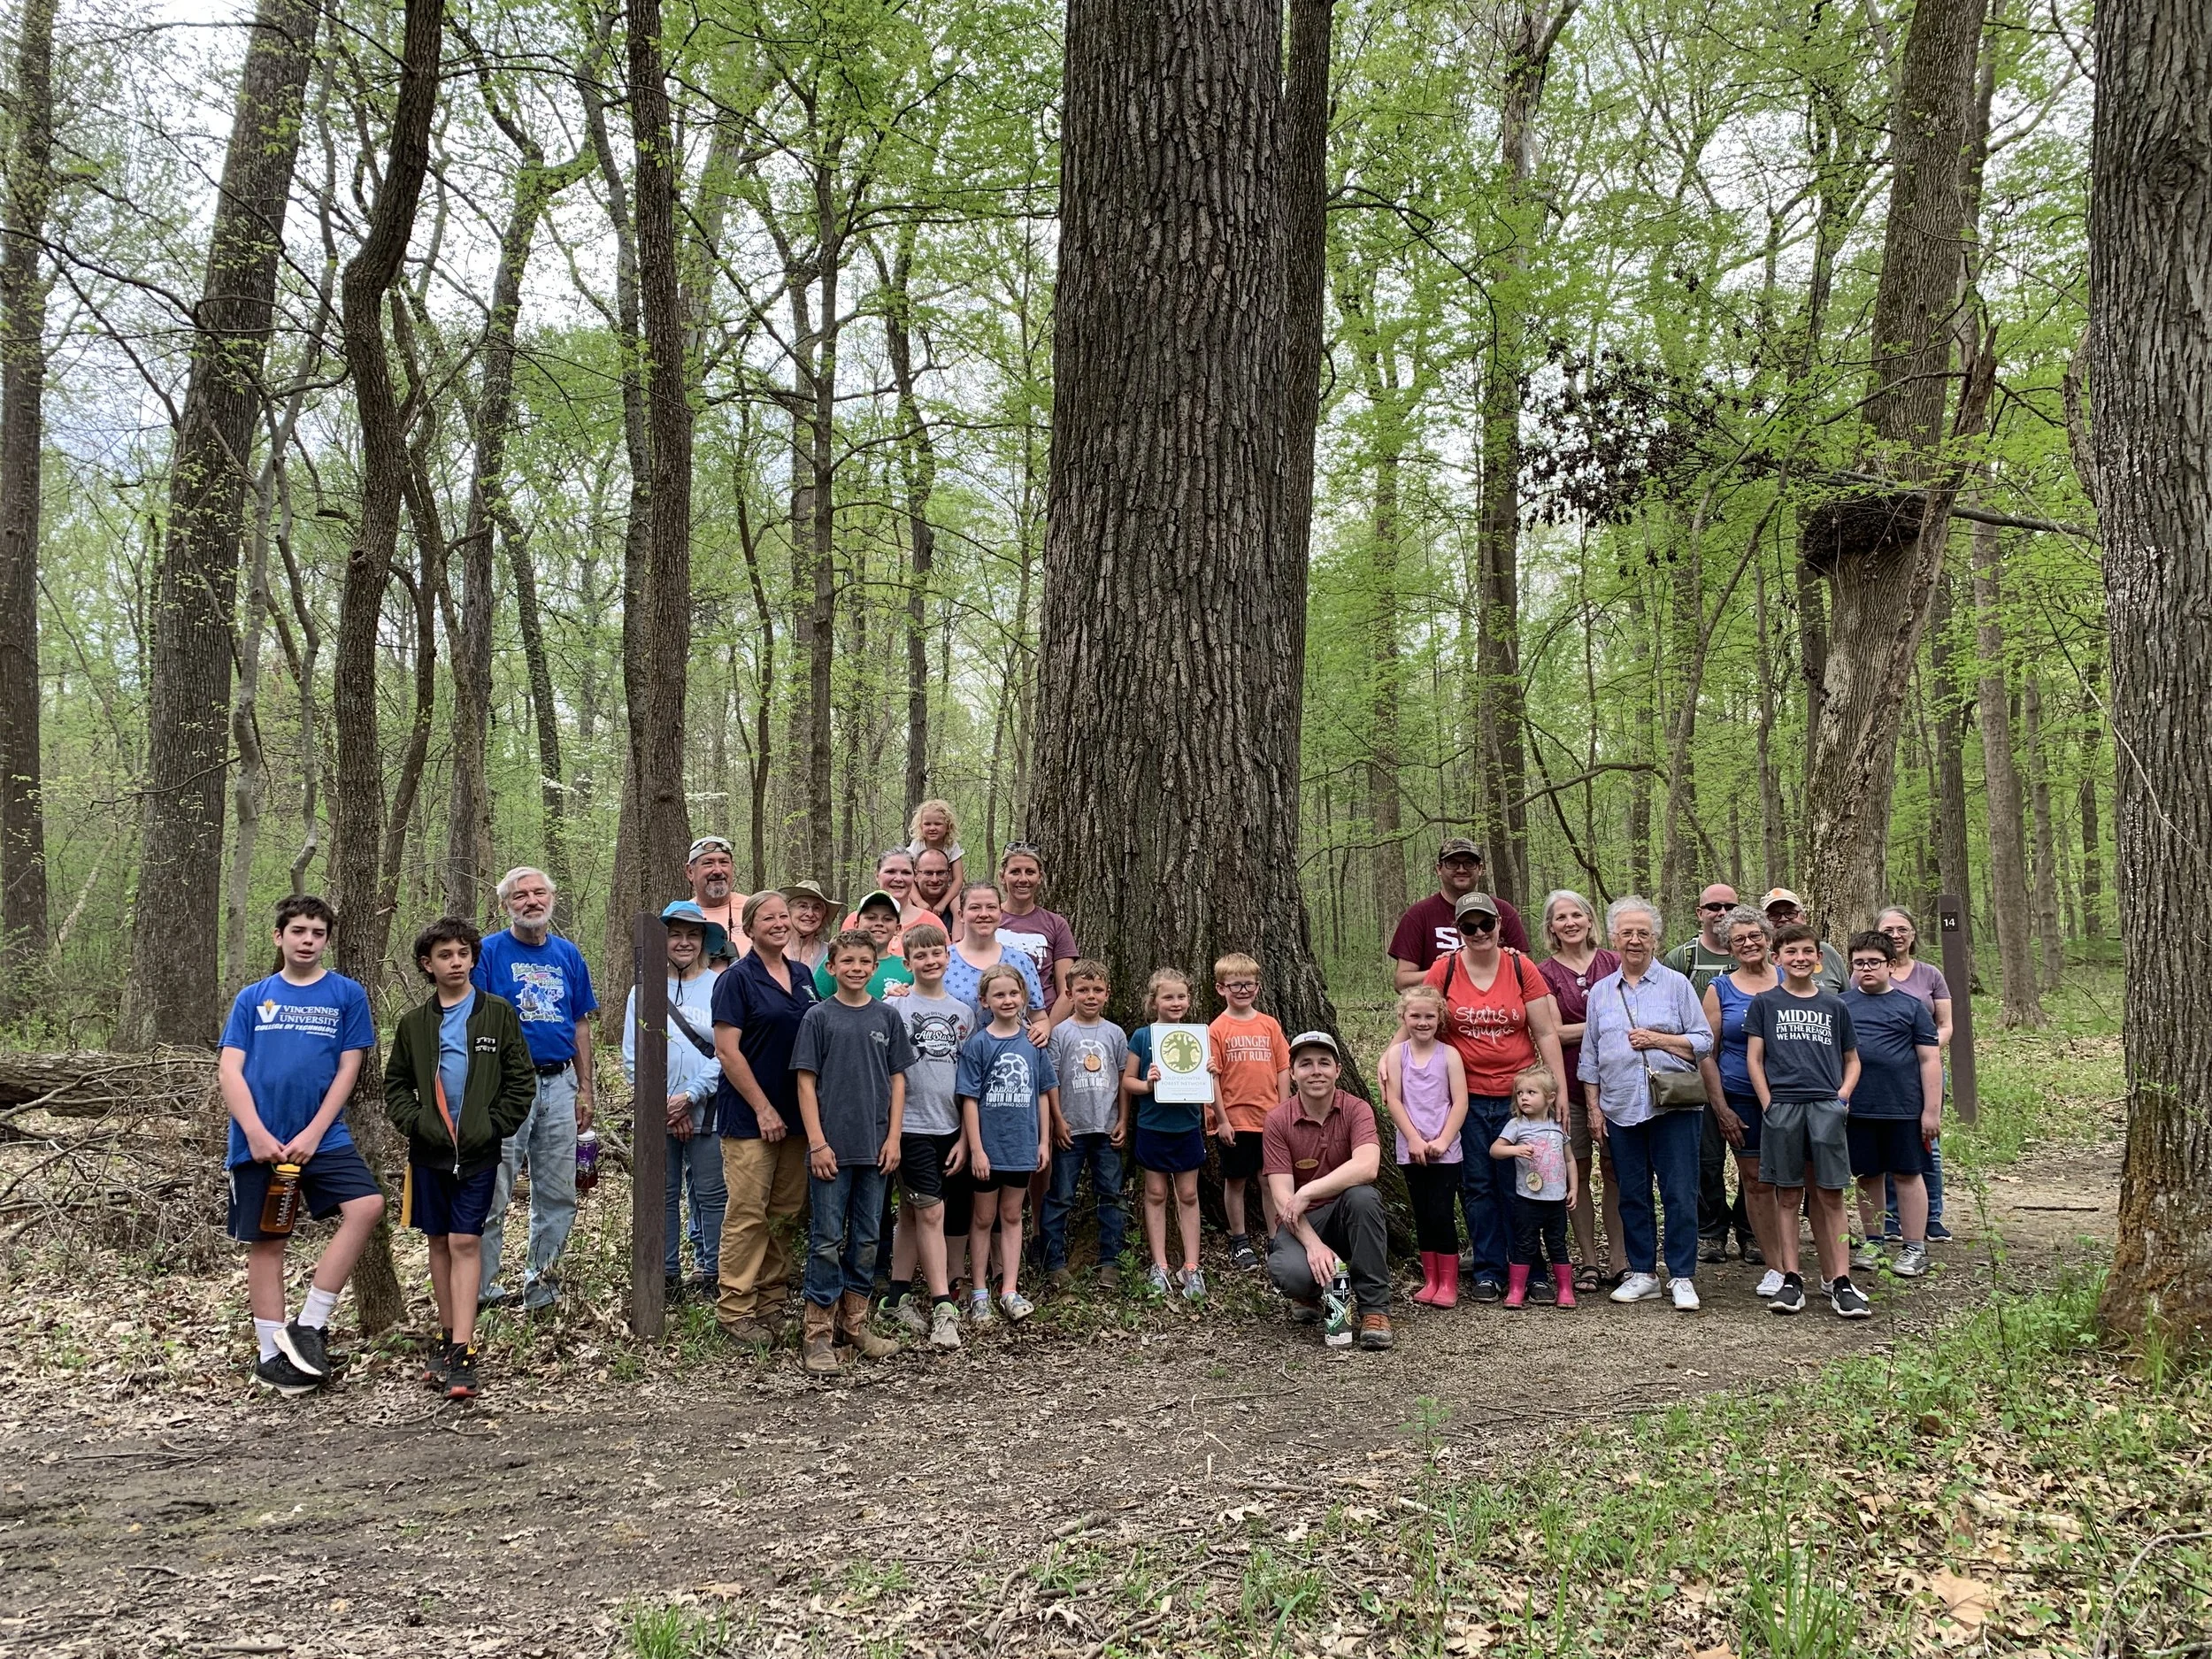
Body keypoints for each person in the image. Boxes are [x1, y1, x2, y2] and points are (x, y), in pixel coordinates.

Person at [218, 895, 383, 1397]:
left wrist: (313, 1132)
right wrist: (256, 1133)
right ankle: (272, 1358)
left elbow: (348, 1068)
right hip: (258, 1141)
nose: (307, 940)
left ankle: (309, 1324)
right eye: (298, 931)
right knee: (268, 1243)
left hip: (323, 1137)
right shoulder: (253, 998)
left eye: (317, 933)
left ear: (327, 940)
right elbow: (229, 1068)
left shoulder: (346, 995)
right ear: (279, 937)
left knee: (367, 1205)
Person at [385, 917, 534, 1401]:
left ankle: (465, 1350)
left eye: (463, 953)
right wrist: (419, 1123)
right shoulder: (413, 1024)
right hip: (429, 1154)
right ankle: (447, 1339)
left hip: (479, 1153)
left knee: (466, 1240)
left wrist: (493, 1127)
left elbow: (520, 1080)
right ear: (428, 965)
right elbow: (396, 1086)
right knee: (439, 1242)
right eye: (445, 955)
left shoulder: (497, 1013)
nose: (456, 962)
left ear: (474, 958)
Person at [1424, 890, 1568, 1302]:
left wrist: (1553, 1091)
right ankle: (1488, 1269)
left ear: (1499, 925)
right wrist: (1391, 1059)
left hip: (1519, 1099)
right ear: (1459, 931)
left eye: (1486, 923)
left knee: (1525, 1185)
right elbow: (1420, 1016)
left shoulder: (1521, 967)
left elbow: (1544, 1033)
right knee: (1479, 1186)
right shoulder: (1444, 969)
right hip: (1466, 1098)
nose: (1479, 932)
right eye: (1469, 926)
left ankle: (1533, 1269)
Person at [472, 866, 598, 1314]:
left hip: (561, 1081)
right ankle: (481, 1290)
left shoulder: (567, 954)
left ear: (552, 899)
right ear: (506, 904)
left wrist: (586, 1088)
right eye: (520, 895)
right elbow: (473, 1021)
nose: (531, 901)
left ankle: (542, 1287)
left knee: (558, 1191)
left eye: (538, 893)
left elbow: (580, 1022)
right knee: (492, 1190)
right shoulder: (487, 952)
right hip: (506, 1086)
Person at [792, 928, 917, 1373]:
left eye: (866, 962)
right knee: (826, 1239)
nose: (857, 969)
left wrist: (894, 1138)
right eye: (848, 962)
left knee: (866, 1238)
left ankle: (855, 1324)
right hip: (831, 1149)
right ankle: (818, 1334)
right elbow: (805, 1082)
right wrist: (818, 1142)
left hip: (876, 1146)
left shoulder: (887, 1018)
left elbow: (899, 1080)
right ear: (831, 968)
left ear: (876, 965)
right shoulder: (818, 1018)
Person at [1580, 896, 1712, 1312]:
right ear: (1614, 939)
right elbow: (1590, 1056)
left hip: (1674, 1107)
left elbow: (1704, 1042)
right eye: (1626, 933)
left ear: (1656, 939)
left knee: (1678, 1191)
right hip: (1620, 1106)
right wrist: (1595, 1109)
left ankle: (1682, 1275)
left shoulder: (1677, 985)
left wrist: (1659, 1040)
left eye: (1643, 933)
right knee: (1632, 1192)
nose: (1635, 940)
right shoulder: (1601, 992)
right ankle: (1642, 1272)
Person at [709, 888, 821, 1343]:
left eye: (784, 916)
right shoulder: (736, 979)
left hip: (798, 1114)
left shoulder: (803, 975)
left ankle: (771, 1298)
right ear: (749, 928)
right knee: (748, 1212)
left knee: (786, 1211)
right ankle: (736, 1307)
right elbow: (726, 1050)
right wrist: (763, 1108)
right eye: (768, 917)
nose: (779, 923)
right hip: (751, 1116)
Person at [1747, 922, 1867, 1317]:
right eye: (1791, 952)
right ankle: (1791, 1278)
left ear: (1818, 958)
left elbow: (1852, 1059)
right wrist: (1769, 1103)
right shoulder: (1766, 1002)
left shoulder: (1835, 1005)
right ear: (1777, 958)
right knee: (1787, 1194)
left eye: (1807, 952)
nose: (1799, 958)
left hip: (1825, 1107)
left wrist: (1842, 1097)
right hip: (1784, 1109)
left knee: (1830, 1193)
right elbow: (1755, 1059)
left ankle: (1840, 1281)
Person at [622, 901, 729, 1299]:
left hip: (710, 1107)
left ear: (704, 940)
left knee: (712, 1193)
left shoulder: (720, 985)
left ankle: (711, 1271)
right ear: (662, 938)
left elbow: (727, 1051)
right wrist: (665, 1103)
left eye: (693, 934)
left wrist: (691, 1096)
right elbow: (633, 1056)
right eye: (676, 933)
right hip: (658, 1112)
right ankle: (664, 1273)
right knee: (662, 1193)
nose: (684, 942)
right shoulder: (643, 990)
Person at [1263, 1031, 1393, 1351]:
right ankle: (1307, 1292)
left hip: (1348, 1215)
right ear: (1292, 1073)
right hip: (1302, 1222)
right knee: (1291, 1272)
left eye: (1324, 1062)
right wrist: (1313, 1244)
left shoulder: (1357, 1109)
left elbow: (1368, 1167)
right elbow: (1282, 1198)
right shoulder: (1278, 1120)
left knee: (1364, 1197)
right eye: (1305, 1064)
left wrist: (1309, 1190)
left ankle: (1374, 1310)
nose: (1316, 1071)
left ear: (1338, 1069)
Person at [879, 923, 974, 1348]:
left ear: (948, 957)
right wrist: (892, 1132)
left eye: (937, 953)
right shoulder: (895, 1009)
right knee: (930, 1213)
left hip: (949, 1126)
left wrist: (966, 1138)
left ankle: (897, 1296)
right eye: (920, 956)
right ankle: (943, 1308)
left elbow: (969, 1078)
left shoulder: (964, 1012)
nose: (930, 961)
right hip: (910, 1125)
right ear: (907, 962)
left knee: (916, 1216)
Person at [1532, 890, 1623, 1294]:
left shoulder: (1615, 962)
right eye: (1560, 918)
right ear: (1551, 928)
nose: (1569, 923)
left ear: (1590, 920)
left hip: (1621, 1084)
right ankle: (1588, 1260)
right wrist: (1608, 1022)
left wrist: (1584, 1027)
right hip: (1568, 1085)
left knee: (1617, 1171)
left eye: (1576, 915)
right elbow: (1551, 1031)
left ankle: (1621, 1260)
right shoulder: (1544, 972)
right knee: (1578, 1171)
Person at [958, 964, 1058, 1324]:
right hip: (989, 1148)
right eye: (999, 994)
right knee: (984, 1217)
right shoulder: (978, 1044)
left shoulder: (1033, 1044)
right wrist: (977, 1148)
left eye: (1013, 993)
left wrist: (1043, 1141)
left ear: (1024, 997)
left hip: (1022, 1146)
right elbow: (969, 1098)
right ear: (984, 1001)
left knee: (1013, 1215)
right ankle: (980, 1290)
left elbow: (1043, 1094)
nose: (1007, 1000)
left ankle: (1010, 1289)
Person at [1696, 908, 1787, 1300]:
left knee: (1791, 1179)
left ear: (1768, 938)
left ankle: (1792, 1259)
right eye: (1739, 940)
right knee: (1755, 1179)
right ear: (1729, 949)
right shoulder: (1720, 988)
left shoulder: (1791, 978)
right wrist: (1720, 1106)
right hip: (1738, 1097)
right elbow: (1706, 1052)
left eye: (1755, 936)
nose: (1749, 944)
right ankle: (1772, 1263)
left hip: (1791, 1098)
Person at [1841, 930, 1941, 1281]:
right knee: (1868, 1175)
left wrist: (1931, 1110)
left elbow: (1930, 1060)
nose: (1867, 969)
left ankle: (1914, 1246)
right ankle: (1874, 1241)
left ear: (1891, 964)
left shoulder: (1911, 1007)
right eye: (1859, 963)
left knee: (1908, 1174)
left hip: (1903, 1107)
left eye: (1874, 962)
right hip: (1858, 1108)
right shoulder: (1842, 1005)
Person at [1667, 882, 1754, 1264]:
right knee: (1705, 1160)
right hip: (1693, 1075)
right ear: (1699, 912)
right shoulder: (1682, 958)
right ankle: (1711, 1232)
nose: (1721, 912)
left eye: (1729, 906)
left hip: (1751, 1078)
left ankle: (1752, 1231)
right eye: (1713, 906)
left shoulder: (1752, 955)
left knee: (1754, 1159)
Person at [1120, 967, 1213, 1301]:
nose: (1175, 1003)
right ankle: (1159, 1265)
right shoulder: (1143, 1037)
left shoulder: (1197, 1036)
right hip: (1152, 1127)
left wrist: (1210, 1073)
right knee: (1156, 1194)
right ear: (1154, 1001)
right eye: (1168, 997)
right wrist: (1148, 1083)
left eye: (1181, 997)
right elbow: (1128, 1082)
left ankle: (1191, 1267)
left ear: (1189, 1000)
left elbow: (1211, 1088)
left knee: (1188, 1195)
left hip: (1187, 1126)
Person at [1377, 984, 1468, 1307]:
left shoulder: (1450, 1056)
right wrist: (1414, 1138)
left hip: (1445, 1150)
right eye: (1415, 1016)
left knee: (1442, 1213)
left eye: (1430, 1016)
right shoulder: (1395, 1056)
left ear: (1439, 1018)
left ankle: (1448, 1283)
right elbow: (1393, 1100)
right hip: (1411, 1149)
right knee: (1423, 1214)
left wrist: (1442, 1139)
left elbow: (1460, 1102)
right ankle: (1430, 1280)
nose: (1423, 1022)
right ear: (1404, 1017)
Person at [1041, 959, 1129, 1290]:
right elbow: (1051, 1082)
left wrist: (1122, 1119)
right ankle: (1054, 1262)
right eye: (1083, 990)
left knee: (1111, 1194)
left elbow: (1122, 1080)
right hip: (1070, 1131)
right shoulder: (1060, 1033)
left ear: (1107, 994)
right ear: (1069, 993)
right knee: (1061, 1195)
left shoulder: (1115, 1034)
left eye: (1097, 990)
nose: (1090, 996)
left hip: (1106, 1129)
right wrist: (1057, 1121)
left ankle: (1111, 1261)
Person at [1209, 951, 1291, 1271]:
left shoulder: (1269, 1025)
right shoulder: (1217, 1028)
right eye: (1235, 985)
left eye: (1249, 985)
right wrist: (1223, 1119)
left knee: (1270, 1181)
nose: (1243, 991)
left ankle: (1276, 1239)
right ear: (1221, 988)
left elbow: (1283, 1067)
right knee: (1236, 1180)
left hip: (1269, 1120)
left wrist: (1282, 1110)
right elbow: (1212, 1077)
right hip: (1235, 1121)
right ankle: (1239, 1240)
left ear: (1257, 987)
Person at [1875, 905, 1954, 1241]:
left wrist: (1926, 1049)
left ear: (1913, 934)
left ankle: (1931, 1216)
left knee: (1926, 1143)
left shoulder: (1930, 975)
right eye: (1889, 930)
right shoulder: (1869, 971)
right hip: (1883, 1076)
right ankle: (1892, 1218)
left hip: (1923, 1070)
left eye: (1902, 929)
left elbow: (1946, 1024)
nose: (1896, 936)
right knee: (1887, 1146)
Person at [1388, 838, 1531, 988]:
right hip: (1439, 1007)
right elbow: (1402, 981)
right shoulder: (1419, 915)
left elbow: (1524, 973)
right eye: (1453, 863)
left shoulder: (1502, 911)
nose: (1461, 869)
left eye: (1469, 863)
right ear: (1438, 868)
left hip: (1497, 1008)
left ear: (1480, 868)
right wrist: (1449, 970)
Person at [1491, 1066, 1577, 1309]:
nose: (1524, 1098)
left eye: (1531, 1092)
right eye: (1520, 1093)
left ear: (1550, 1097)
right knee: (1525, 1243)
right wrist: (1515, 1150)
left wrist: (1574, 1189)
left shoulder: (1558, 1126)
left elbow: (1569, 1159)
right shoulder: (1517, 1125)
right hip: (1528, 1199)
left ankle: (1565, 1290)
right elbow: (1495, 1150)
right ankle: (1517, 1290)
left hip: (1556, 1200)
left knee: (1557, 1243)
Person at [941, 882, 1048, 1041]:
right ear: (961, 915)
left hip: (1008, 1058)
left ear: (1001, 913)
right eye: (975, 908)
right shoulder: (942, 960)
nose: (984, 914)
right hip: (956, 1059)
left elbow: (1039, 1018)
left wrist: (1041, 1031)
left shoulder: (1021, 961)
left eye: (991, 907)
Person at [997, 843, 1079, 1026]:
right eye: (1015, 872)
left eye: (1030, 872)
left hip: (1042, 1021)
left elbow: (1067, 992)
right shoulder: (988, 919)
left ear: (1040, 877)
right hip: (993, 1024)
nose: (1023, 879)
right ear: (1002, 877)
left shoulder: (1056, 924)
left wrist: (1047, 1029)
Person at [813, 889, 916, 998]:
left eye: (887, 919)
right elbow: (815, 1002)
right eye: (871, 918)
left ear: (898, 928)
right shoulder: (837, 960)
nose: (879, 923)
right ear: (856, 925)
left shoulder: (907, 967)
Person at [1759, 889, 1847, 993]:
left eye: (1790, 913)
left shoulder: (1827, 952)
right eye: (1774, 915)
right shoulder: (1760, 958)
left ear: (1803, 918)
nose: (1783, 919)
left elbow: (1848, 999)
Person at [843, 849, 933, 949]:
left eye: (906, 873)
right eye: (890, 872)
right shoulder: (854, 920)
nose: (899, 879)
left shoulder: (932, 922)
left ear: (915, 876)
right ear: (877, 875)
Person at [682, 835, 748, 964]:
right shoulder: (681, 916)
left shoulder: (753, 909)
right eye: (708, 863)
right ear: (690, 872)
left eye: (724, 862)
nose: (718, 870)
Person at [908, 797, 967, 892]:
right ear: (920, 826)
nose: (932, 828)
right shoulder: (917, 845)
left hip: (946, 890)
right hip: (921, 890)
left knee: (958, 901)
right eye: (927, 824)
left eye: (938, 824)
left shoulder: (951, 846)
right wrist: (920, 903)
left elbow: (958, 880)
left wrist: (942, 904)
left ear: (948, 826)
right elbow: (908, 877)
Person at [781, 879, 839, 972]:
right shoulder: (772, 949)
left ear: (823, 915)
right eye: (803, 906)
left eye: (817, 908)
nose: (810, 914)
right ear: (788, 911)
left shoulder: (830, 953)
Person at [912, 849, 956, 931]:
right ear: (916, 875)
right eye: (928, 873)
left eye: (941, 873)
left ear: (949, 874)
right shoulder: (904, 908)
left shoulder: (960, 910)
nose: (935, 879)